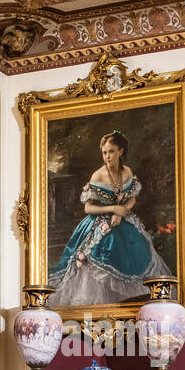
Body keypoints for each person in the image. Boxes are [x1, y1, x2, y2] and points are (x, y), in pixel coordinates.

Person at [47, 131, 173, 307]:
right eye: (105, 152)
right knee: (95, 264)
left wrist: (121, 212)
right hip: (98, 224)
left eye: (111, 151)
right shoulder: (98, 176)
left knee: (136, 254)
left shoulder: (127, 171)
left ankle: (128, 308)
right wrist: (113, 208)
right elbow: (88, 207)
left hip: (124, 223)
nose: (107, 156)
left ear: (121, 151)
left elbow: (132, 198)